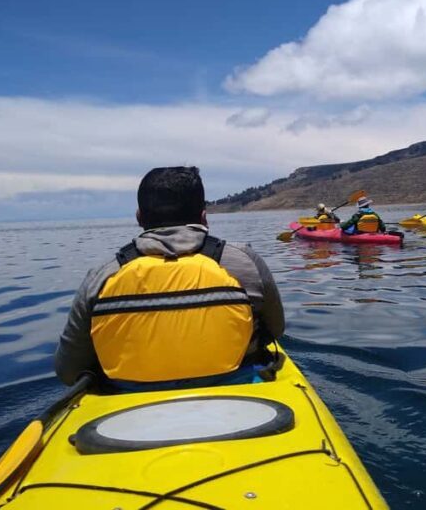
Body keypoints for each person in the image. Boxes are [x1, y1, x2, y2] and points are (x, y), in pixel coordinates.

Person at [55, 166, 285, 388]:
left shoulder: (102, 275)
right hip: (237, 387)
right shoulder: (245, 261)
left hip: (128, 400)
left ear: (139, 217)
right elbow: (275, 328)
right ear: (204, 217)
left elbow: (69, 371)